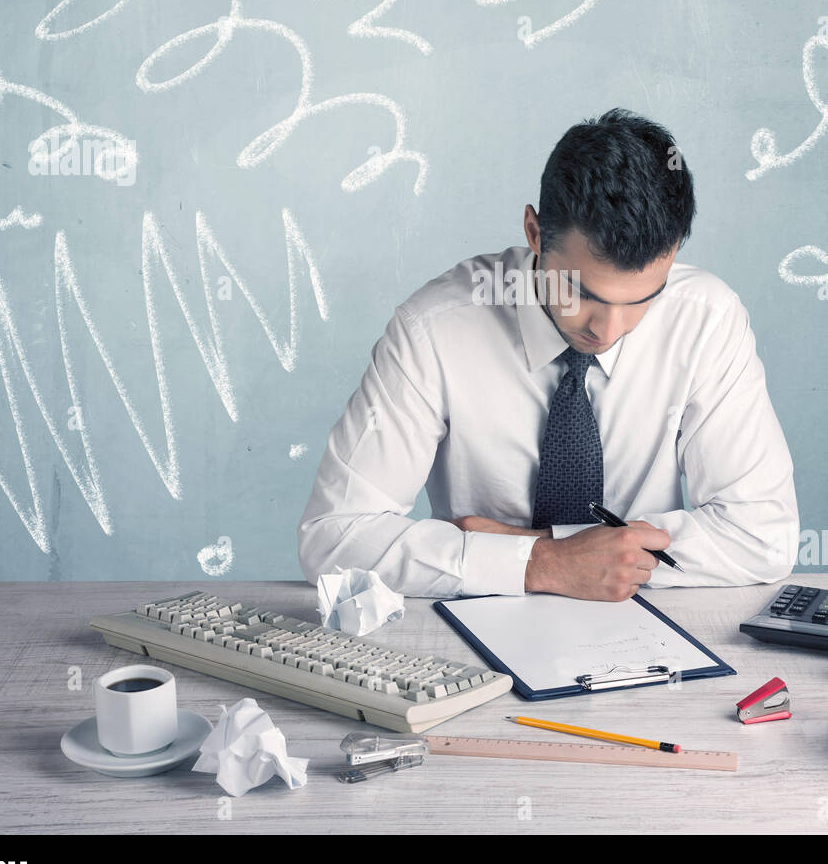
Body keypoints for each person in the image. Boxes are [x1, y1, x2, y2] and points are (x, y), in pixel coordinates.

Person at [297, 108, 799, 600]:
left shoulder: (707, 320)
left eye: (642, 299)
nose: (608, 329)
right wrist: (545, 564)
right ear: (535, 234)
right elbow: (333, 537)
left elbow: (763, 537)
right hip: (475, 631)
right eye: (582, 293)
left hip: (644, 624)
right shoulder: (434, 328)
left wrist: (539, 551)